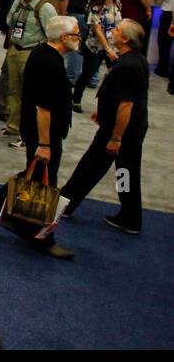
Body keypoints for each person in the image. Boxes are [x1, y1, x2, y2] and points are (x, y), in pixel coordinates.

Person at [0, 15, 80, 260]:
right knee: (46, 182)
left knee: (32, 176)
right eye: (75, 34)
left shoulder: (44, 54)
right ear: (64, 37)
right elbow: (44, 108)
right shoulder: (49, 62)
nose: (78, 39)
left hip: (40, 131)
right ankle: (43, 239)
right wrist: (44, 144)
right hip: (43, 134)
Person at [60, 19, 148, 234]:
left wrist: (116, 137)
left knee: (90, 167)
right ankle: (130, 215)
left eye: (117, 30)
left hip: (119, 131)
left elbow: (126, 104)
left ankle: (65, 202)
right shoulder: (134, 60)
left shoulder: (128, 65)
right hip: (129, 129)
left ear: (126, 38)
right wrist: (103, 108)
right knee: (125, 172)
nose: (113, 32)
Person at [0, 0, 53, 148]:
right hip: (15, 50)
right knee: (13, 91)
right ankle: (12, 126)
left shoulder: (45, 8)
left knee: (30, 96)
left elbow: (51, 33)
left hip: (31, 53)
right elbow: (9, 22)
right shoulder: (18, 3)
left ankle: (28, 134)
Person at [74, 0, 122, 108]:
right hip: (95, 46)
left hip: (113, 45)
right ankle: (76, 99)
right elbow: (97, 29)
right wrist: (107, 49)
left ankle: (109, 102)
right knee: (87, 74)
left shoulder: (117, 4)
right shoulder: (95, 6)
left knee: (114, 75)